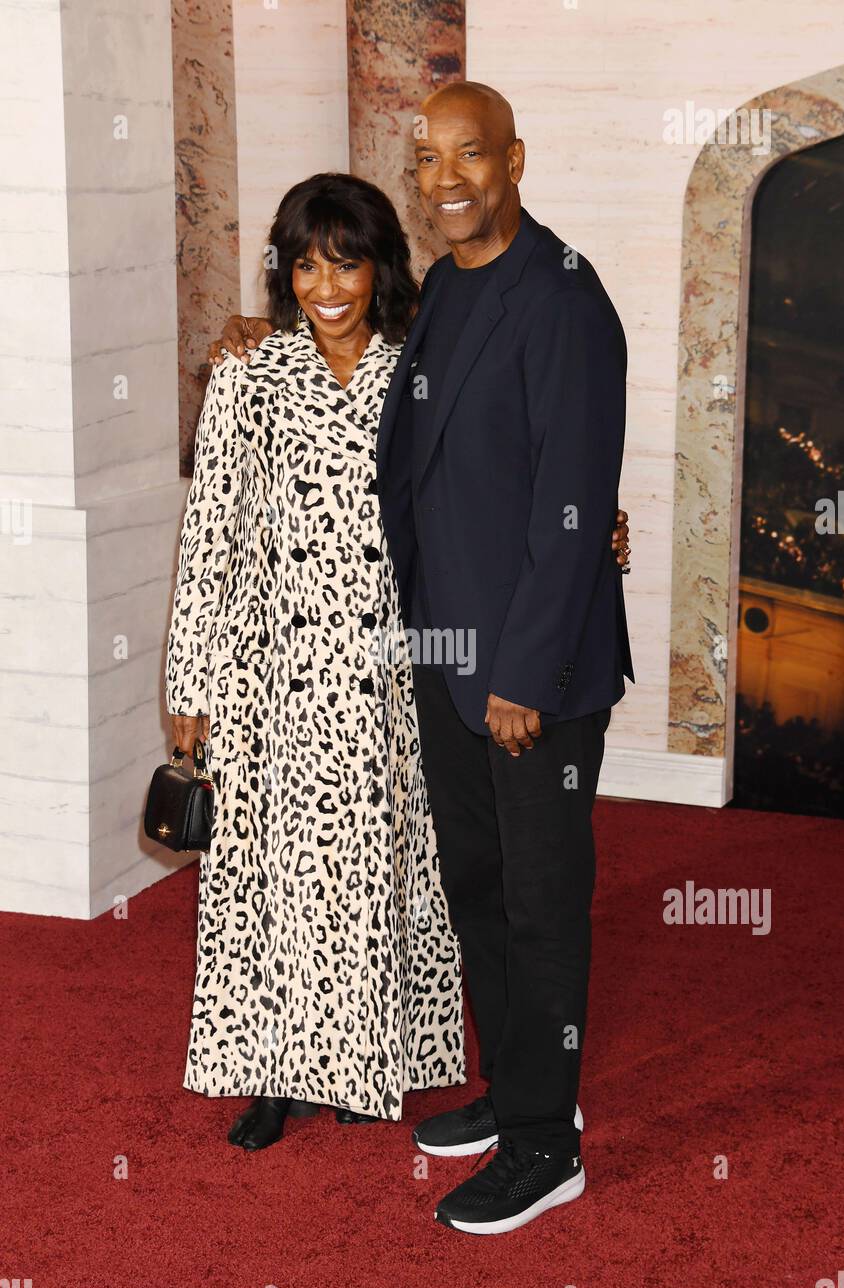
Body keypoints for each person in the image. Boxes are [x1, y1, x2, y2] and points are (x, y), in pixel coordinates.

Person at [204, 93, 633, 1202]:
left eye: (469, 155)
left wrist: (524, 674)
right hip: (443, 658)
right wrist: (264, 333)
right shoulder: (444, 291)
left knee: (540, 902)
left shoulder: (564, 297)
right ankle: (517, 1085)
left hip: (526, 677)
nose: (446, 176)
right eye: (428, 157)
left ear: (514, 162)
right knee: (477, 888)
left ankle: (546, 1146)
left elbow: (572, 500)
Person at [165, 174, 467, 1151]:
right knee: (271, 881)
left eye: (344, 258)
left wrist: (592, 526)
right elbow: (210, 533)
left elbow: (473, 500)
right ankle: (272, 1075)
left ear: (378, 265)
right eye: (304, 261)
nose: (325, 283)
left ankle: (361, 1058)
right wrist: (191, 683)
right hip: (268, 672)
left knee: (373, 875)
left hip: (385, 673)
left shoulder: (416, 370)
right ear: (283, 270)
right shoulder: (251, 374)